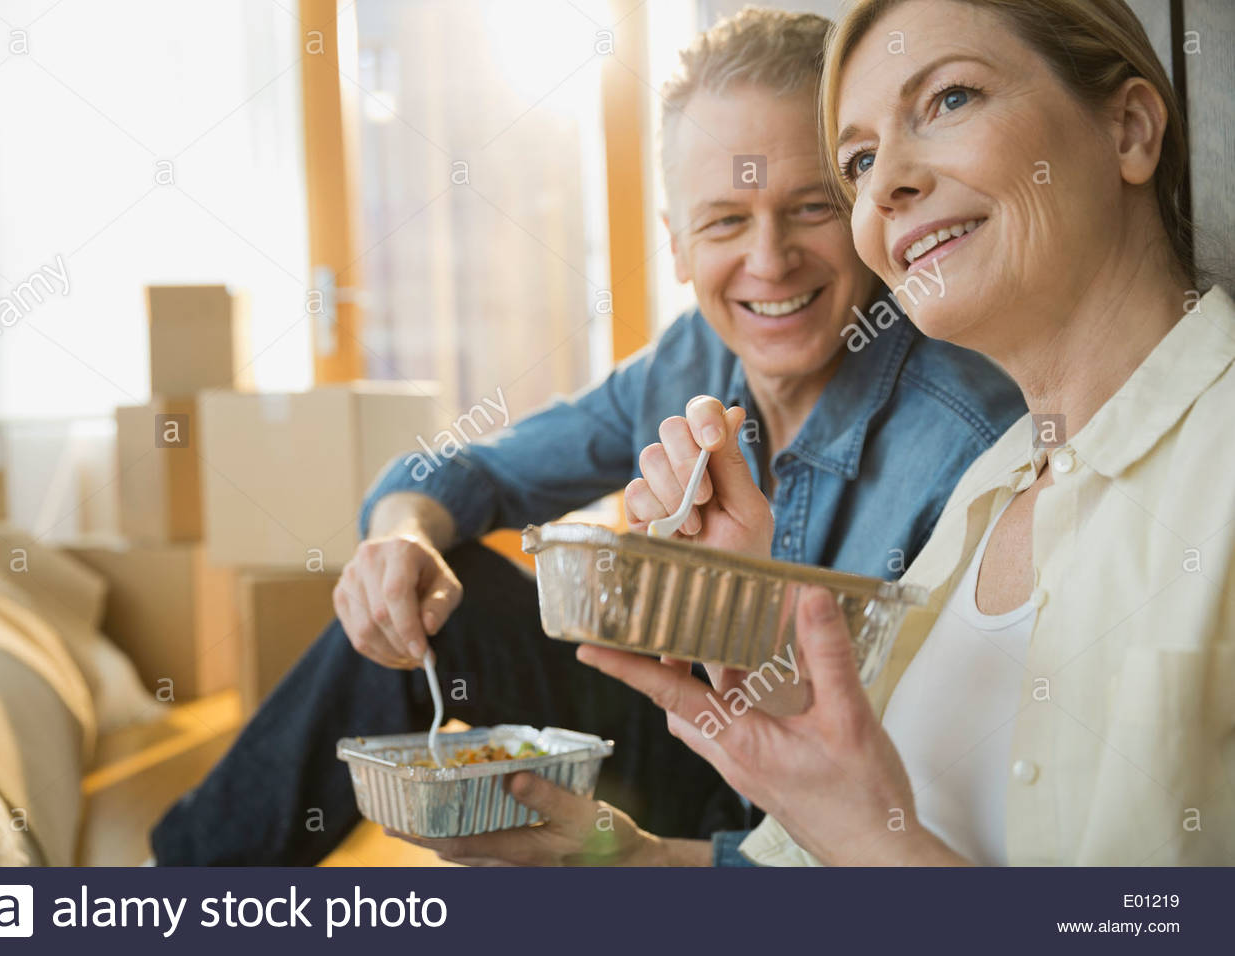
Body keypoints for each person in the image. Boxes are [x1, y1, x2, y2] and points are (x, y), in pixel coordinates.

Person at [150, 8, 1024, 867]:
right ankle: (172, 895)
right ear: (676, 245)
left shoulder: (970, 438)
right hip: (685, 743)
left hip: (829, 821)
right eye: (725, 220)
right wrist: (398, 539)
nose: (769, 260)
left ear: (867, 204)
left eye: (810, 208)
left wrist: (647, 858)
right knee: (420, 597)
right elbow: (468, 473)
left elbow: (920, 805)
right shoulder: (688, 356)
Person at [556, 0, 1235, 866]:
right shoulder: (991, 491)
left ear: (1130, 129)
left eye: (950, 100)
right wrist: (626, 857)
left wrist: (873, 843)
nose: (886, 185)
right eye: (860, 161)